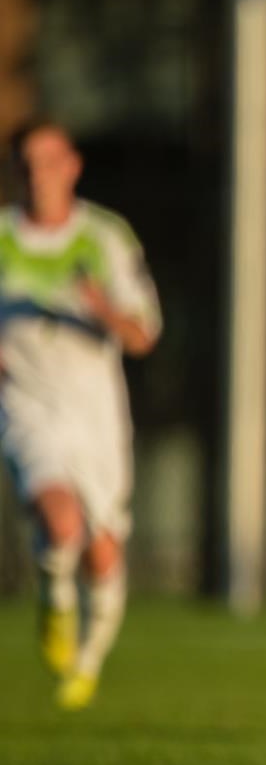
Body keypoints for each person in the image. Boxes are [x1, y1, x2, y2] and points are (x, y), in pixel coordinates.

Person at [1, 118, 162, 711]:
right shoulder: (3, 239)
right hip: (27, 403)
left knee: (102, 549)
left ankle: (88, 663)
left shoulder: (104, 238)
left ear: (73, 166)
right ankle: (55, 605)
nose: (40, 174)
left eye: (51, 161)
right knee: (60, 521)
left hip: (94, 409)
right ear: (16, 169)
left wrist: (101, 309)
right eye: (29, 162)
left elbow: (144, 333)